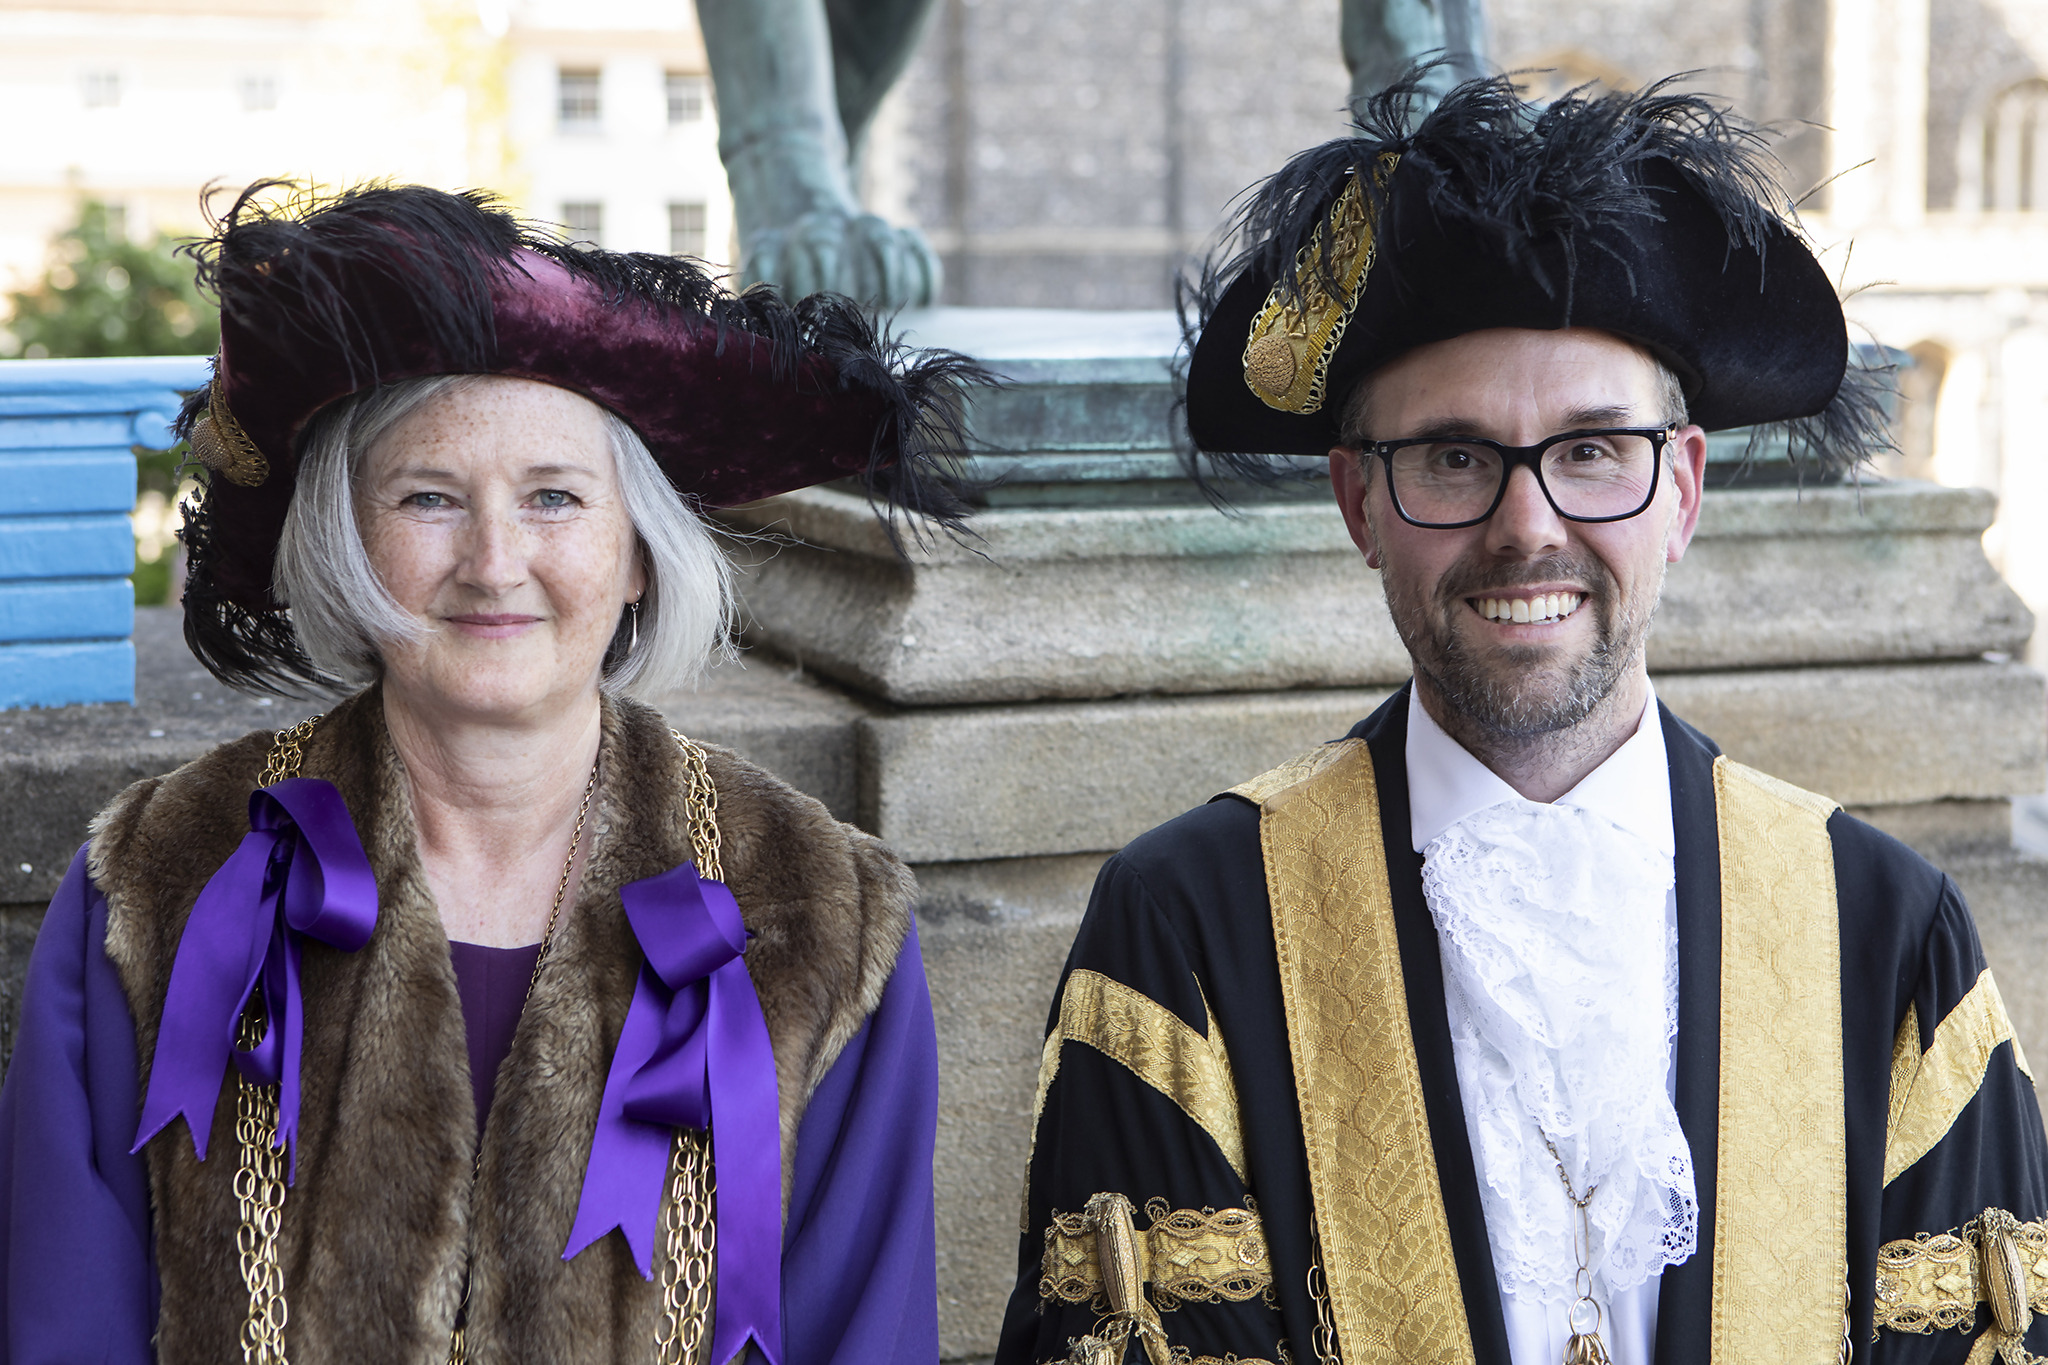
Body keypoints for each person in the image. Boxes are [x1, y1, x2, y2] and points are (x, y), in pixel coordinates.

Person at [997, 73, 2048, 1365]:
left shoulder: (1887, 931)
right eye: (1453, 458)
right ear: (1358, 503)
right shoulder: (1186, 928)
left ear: (1684, 488)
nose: (1529, 526)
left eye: (1594, 450)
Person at [0, 183, 987, 1363]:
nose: (493, 561)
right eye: (428, 498)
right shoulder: (159, 879)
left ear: (636, 555)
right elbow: (65, 1322)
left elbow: (859, 1336)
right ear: (345, 536)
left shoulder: (821, 912)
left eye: (554, 499)